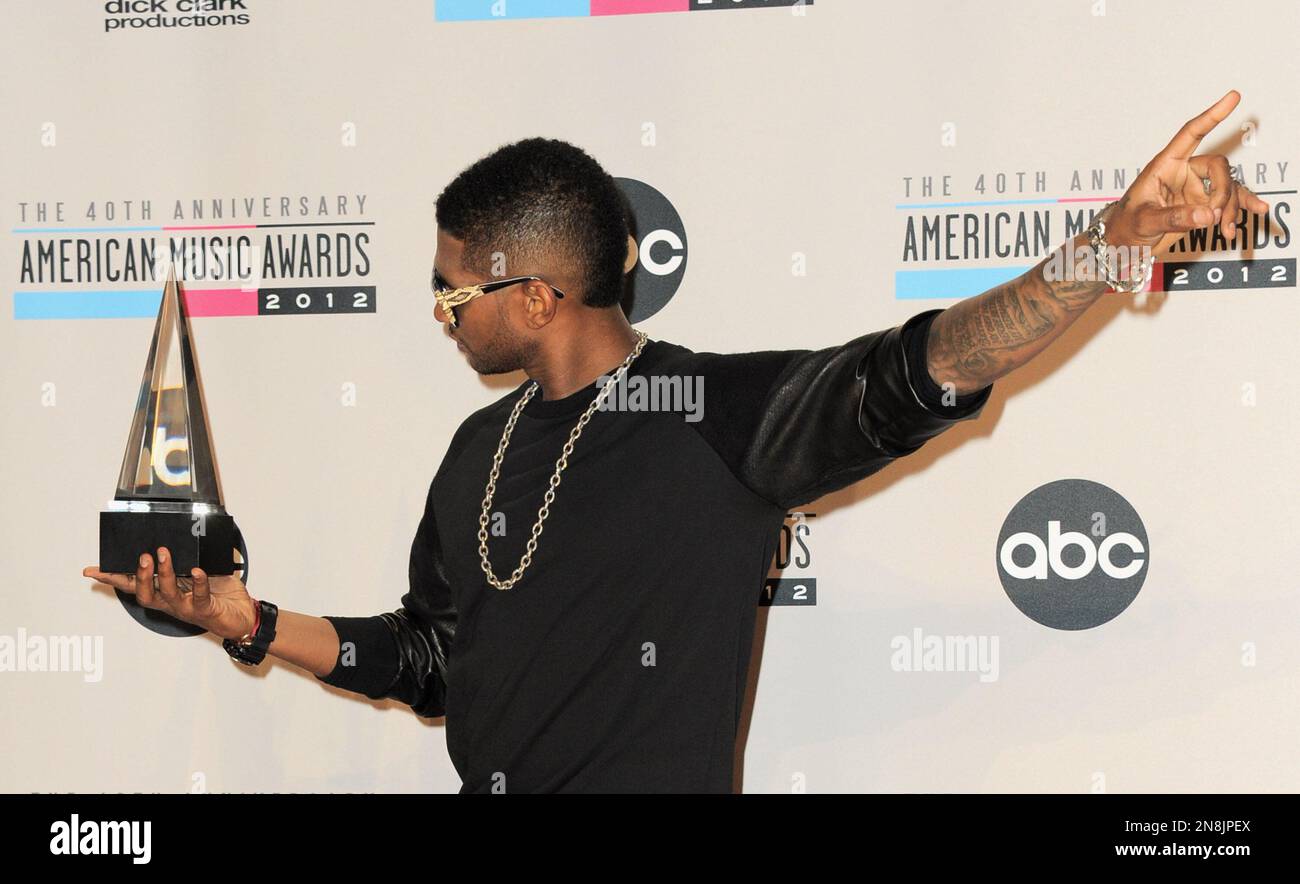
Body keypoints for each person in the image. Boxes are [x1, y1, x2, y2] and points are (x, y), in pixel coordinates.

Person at [84, 91, 1269, 793]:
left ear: (539, 297)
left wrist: (1112, 244)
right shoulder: (473, 451)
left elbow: (934, 363)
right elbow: (433, 659)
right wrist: (246, 620)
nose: (439, 316)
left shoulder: (713, 419)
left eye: (454, 297)